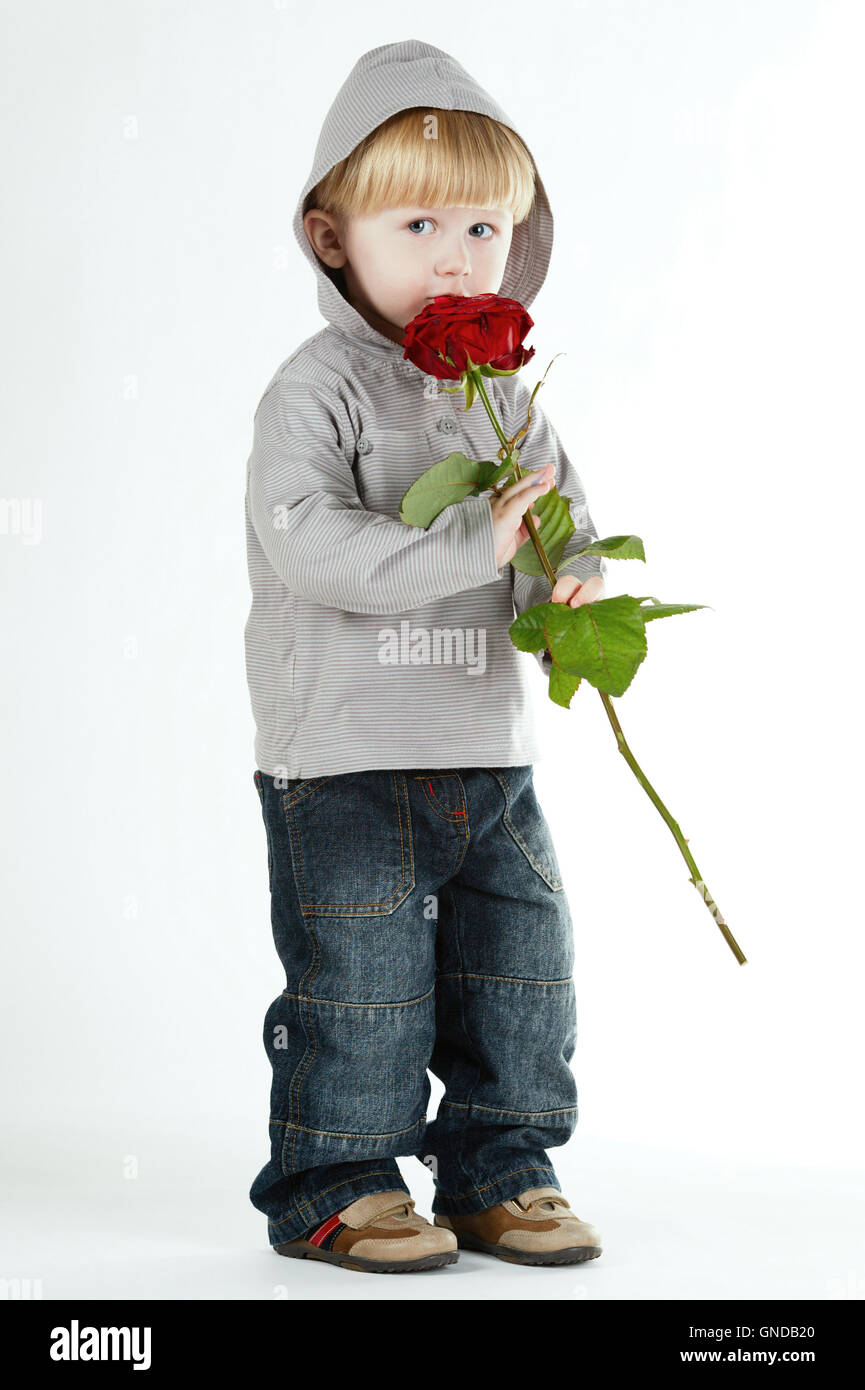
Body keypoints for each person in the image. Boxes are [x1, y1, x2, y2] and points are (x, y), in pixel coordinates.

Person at [245, 38, 607, 1274]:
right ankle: (337, 1178)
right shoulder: (315, 393)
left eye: (485, 229)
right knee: (363, 981)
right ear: (333, 236)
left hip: (485, 745)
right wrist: (470, 537)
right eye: (419, 222)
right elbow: (320, 555)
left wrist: (571, 571)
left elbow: (566, 514)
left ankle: (501, 1163)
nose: (460, 255)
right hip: (345, 756)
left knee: (522, 968)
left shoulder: (508, 396)